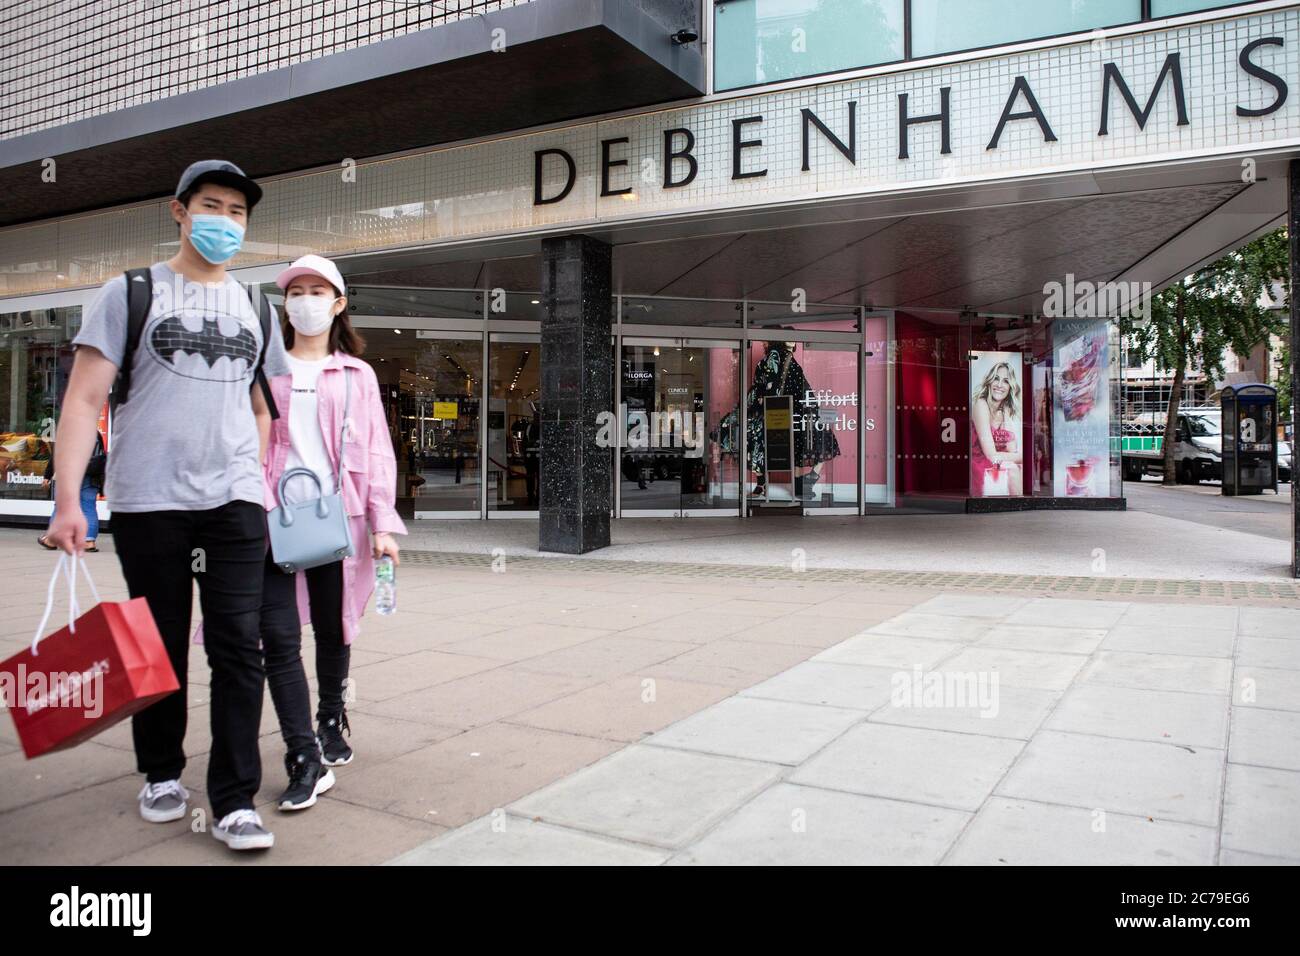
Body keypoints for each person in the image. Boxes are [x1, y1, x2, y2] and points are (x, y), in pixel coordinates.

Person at [45, 160, 290, 852]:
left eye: (238, 212)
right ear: (179, 212)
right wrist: (71, 500)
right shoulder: (132, 291)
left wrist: (253, 471)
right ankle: (160, 772)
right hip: (150, 499)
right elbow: (84, 400)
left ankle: (235, 798)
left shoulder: (256, 306)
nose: (225, 222)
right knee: (157, 643)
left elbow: (262, 403)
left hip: (234, 502)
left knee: (241, 646)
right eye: (212, 206)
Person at [259, 254, 405, 811]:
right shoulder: (267, 368)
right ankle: (302, 746)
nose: (307, 300)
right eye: (297, 291)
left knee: (333, 623)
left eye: (318, 291)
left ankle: (328, 718)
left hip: (336, 518)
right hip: (275, 517)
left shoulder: (356, 374)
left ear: (338, 303)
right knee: (276, 635)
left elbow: (376, 450)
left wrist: (381, 522)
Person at [38, 433, 104, 552]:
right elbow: (100, 456)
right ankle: (89, 542)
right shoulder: (95, 433)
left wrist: (47, 475)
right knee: (89, 507)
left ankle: (52, 540)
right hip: (91, 475)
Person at [971, 361, 1024, 496]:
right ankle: (1020, 509)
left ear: (1010, 387)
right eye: (996, 378)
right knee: (1013, 468)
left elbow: (1011, 448)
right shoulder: (980, 404)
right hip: (980, 463)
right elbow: (991, 455)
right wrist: (1021, 457)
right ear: (989, 381)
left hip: (996, 462)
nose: (1000, 385)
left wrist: (1006, 413)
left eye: (1006, 381)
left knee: (1018, 468)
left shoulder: (1004, 408)